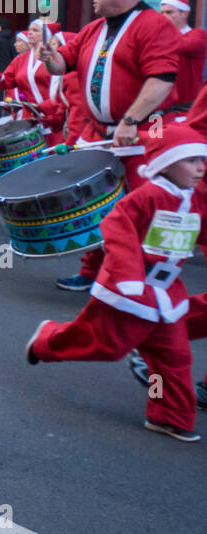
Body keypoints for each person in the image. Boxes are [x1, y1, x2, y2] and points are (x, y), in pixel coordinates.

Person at [26, 124, 207, 442]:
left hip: (165, 297)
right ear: (166, 163)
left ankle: (169, 415)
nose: (201, 168)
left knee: (173, 359)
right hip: (128, 293)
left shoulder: (194, 200)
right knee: (105, 346)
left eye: (202, 160)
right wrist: (129, 279)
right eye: (191, 161)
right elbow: (117, 228)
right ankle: (47, 340)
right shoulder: (149, 195)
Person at [39, 0, 181, 291]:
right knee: (96, 202)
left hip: (151, 128)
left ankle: (151, 276)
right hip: (99, 130)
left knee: (146, 202)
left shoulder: (154, 26)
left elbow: (161, 79)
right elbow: (63, 64)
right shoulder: (94, 28)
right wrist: (47, 56)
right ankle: (92, 270)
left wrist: (131, 121)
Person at [0, 18, 65, 145]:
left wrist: (46, 107)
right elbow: (8, 80)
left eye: (35, 30)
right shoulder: (21, 60)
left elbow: (63, 89)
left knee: (52, 155)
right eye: (29, 30)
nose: (29, 33)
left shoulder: (56, 58)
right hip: (30, 117)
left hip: (53, 115)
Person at [160, 0, 204, 112]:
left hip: (185, 106)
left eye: (169, 12)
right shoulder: (162, 37)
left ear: (184, 13)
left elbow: (181, 46)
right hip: (162, 105)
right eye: (162, 13)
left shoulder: (198, 35)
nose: (164, 16)